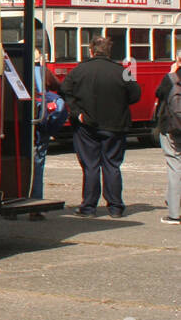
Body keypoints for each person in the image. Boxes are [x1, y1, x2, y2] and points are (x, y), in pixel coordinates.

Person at [60, 35, 141, 217]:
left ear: (91, 51)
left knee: (90, 165)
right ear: (109, 52)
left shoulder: (79, 70)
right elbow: (135, 95)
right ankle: (116, 207)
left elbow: (64, 90)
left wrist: (77, 112)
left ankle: (88, 207)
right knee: (112, 165)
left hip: (86, 124)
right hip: (115, 124)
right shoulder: (122, 72)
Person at [29, 49, 63, 220]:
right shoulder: (43, 72)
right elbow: (58, 88)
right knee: (37, 166)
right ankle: (35, 207)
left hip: (17, 125)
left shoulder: (11, 71)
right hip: (40, 126)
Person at [155, 48, 181, 224]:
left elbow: (159, 93)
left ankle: (174, 212)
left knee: (175, 166)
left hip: (173, 128)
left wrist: (172, 71)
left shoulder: (172, 79)